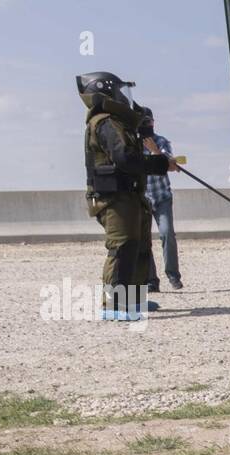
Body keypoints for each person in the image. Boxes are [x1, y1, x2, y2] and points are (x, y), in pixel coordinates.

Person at [77, 72, 176, 320]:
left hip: (129, 195)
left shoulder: (118, 123)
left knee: (139, 246)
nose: (124, 97)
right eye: (120, 91)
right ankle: (113, 306)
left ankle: (133, 300)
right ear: (106, 92)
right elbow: (126, 159)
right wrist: (160, 164)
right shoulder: (106, 122)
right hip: (114, 198)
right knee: (122, 247)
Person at [140, 108, 183, 292]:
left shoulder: (161, 141)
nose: (145, 125)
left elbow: (171, 166)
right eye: (142, 122)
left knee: (167, 233)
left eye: (147, 121)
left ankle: (173, 275)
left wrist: (155, 151)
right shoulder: (132, 144)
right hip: (142, 199)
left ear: (153, 122)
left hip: (162, 196)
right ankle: (151, 280)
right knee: (143, 240)